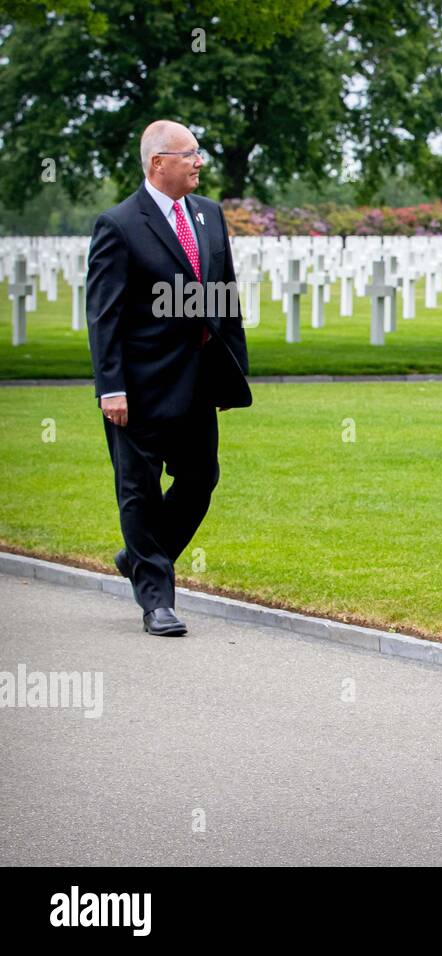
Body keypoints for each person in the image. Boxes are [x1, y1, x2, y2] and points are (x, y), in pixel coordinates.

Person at [86, 120, 251, 636]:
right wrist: (110, 386)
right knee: (138, 489)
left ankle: (140, 555)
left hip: (198, 380)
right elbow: (104, 314)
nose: (199, 162)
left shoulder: (207, 214)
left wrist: (232, 369)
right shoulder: (118, 225)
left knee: (201, 477)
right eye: (190, 154)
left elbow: (223, 293)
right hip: (139, 386)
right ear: (159, 162)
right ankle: (157, 600)